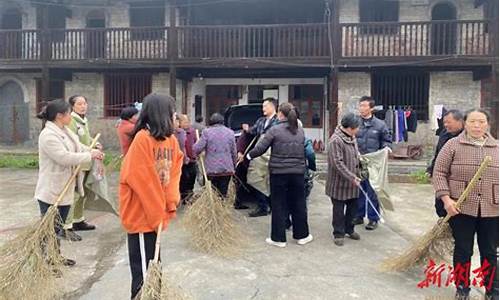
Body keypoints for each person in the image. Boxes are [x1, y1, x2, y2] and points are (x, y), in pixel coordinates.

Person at [119, 93, 183, 299]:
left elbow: (175, 172)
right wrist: (158, 214)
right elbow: (141, 181)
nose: (175, 116)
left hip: (157, 214)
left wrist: (171, 202)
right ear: (161, 114)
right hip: (142, 216)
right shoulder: (142, 139)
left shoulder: (171, 140)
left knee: (155, 270)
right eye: (172, 112)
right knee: (144, 275)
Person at [433, 108, 498, 300]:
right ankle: (462, 287)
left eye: (481, 122)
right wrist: (446, 200)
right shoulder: (453, 145)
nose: (477, 126)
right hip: (460, 208)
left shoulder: (497, 147)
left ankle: (492, 290)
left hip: (492, 209)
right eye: (472, 122)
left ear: (488, 124)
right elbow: (439, 174)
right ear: (465, 124)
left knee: (489, 251)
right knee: (463, 250)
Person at [35, 99, 104, 266]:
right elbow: (63, 157)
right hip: (52, 189)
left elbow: (78, 146)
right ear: (59, 116)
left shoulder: (64, 130)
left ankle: (55, 257)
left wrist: (92, 150)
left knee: (57, 228)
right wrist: (90, 156)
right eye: (68, 113)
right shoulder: (48, 135)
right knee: (49, 229)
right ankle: (46, 260)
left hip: (65, 187)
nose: (70, 117)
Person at [246, 102, 312, 248]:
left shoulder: (274, 130)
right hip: (298, 173)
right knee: (299, 204)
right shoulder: (300, 130)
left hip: (279, 173)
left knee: (278, 204)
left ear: (280, 114)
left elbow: (261, 148)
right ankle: (302, 236)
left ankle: (278, 239)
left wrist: (249, 156)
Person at [352, 96, 392, 230]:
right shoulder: (355, 123)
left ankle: (373, 218)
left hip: (373, 163)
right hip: (357, 161)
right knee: (359, 189)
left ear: (371, 108)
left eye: (364, 105)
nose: (361, 108)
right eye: (360, 105)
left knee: (373, 190)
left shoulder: (380, 125)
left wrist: (386, 148)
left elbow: (387, 140)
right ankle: (358, 215)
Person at [64, 95, 100, 239]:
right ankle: (66, 226)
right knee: (73, 195)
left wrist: (95, 143)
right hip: (77, 162)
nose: (83, 106)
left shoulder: (83, 120)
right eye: (79, 104)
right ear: (72, 106)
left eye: (85, 103)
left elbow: (86, 138)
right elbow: (74, 143)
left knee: (82, 193)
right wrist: (90, 150)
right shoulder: (71, 121)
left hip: (86, 162)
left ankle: (78, 220)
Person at [326, 113, 362, 246]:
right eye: (357, 127)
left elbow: (355, 154)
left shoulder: (352, 137)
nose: (358, 130)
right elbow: (337, 163)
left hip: (353, 182)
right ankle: (338, 233)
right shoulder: (336, 140)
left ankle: (349, 229)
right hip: (339, 183)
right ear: (350, 128)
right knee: (339, 210)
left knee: (353, 207)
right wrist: (351, 177)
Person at [240, 97, 279, 217]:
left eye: (265, 106)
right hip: (260, 154)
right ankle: (263, 206)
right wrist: (247, 129)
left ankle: (272, 206)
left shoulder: (278, 121)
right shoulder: (261, 121)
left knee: (271, 181)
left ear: (272, 106)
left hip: (273, 153)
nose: (263, 109)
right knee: (254, 178)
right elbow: (253, 131)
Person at [426, 109, 464, 217]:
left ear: (460, 121)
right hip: (442, 176)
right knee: (440, 205)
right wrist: (431, 169)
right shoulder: (444, 133)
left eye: (449, 122)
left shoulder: (467, 137)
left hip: (458, 179)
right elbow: (438, 153)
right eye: (444, 123)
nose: (446, 125)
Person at [193, 113, 237, 197]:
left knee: (212, 194)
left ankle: (214, 209)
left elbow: (197, 148)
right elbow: (234, 152)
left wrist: (195, 149)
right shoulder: (230, 132)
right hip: (227, 168)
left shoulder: (207, 132)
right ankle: (222, 207)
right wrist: (234, 165)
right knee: (223, 193)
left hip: (212, 169)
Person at [178, 114, 198, 202]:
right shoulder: (178, 133)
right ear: (179, 123)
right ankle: (184, 195)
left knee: (193, 175)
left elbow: (196, 142)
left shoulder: (192, 131)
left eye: (188, 122)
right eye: (184, 122)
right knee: (184, 177)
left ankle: (190, 192)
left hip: (192, 158)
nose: (187, 124)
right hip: (182, 160)